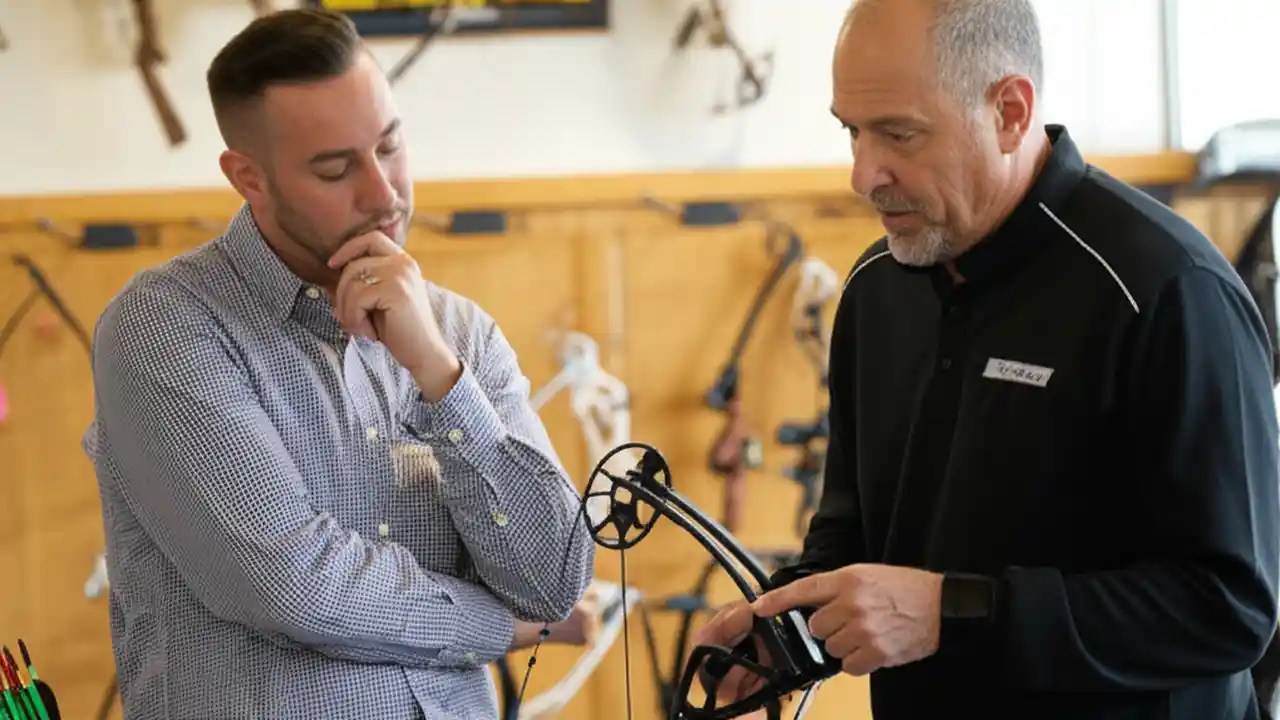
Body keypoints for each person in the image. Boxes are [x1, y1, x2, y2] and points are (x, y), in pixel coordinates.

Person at [695, 0, 1280, 718]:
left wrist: (956, 612)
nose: (862, 175)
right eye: (851, 132)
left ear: (1008, 111)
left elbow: (1230, 609)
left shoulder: (1166, 291)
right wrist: (784, 630)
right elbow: (854, 539)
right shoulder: (875, 292)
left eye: (899, 135)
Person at [83, 9, 595, 719]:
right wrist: (493, 628)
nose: (383, 195)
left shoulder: (457, 333)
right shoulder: (164, 327)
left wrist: (440, 377)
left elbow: (552, 584)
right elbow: (292, 585)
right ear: (248, 178)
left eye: (389, 147)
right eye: (335, 168)